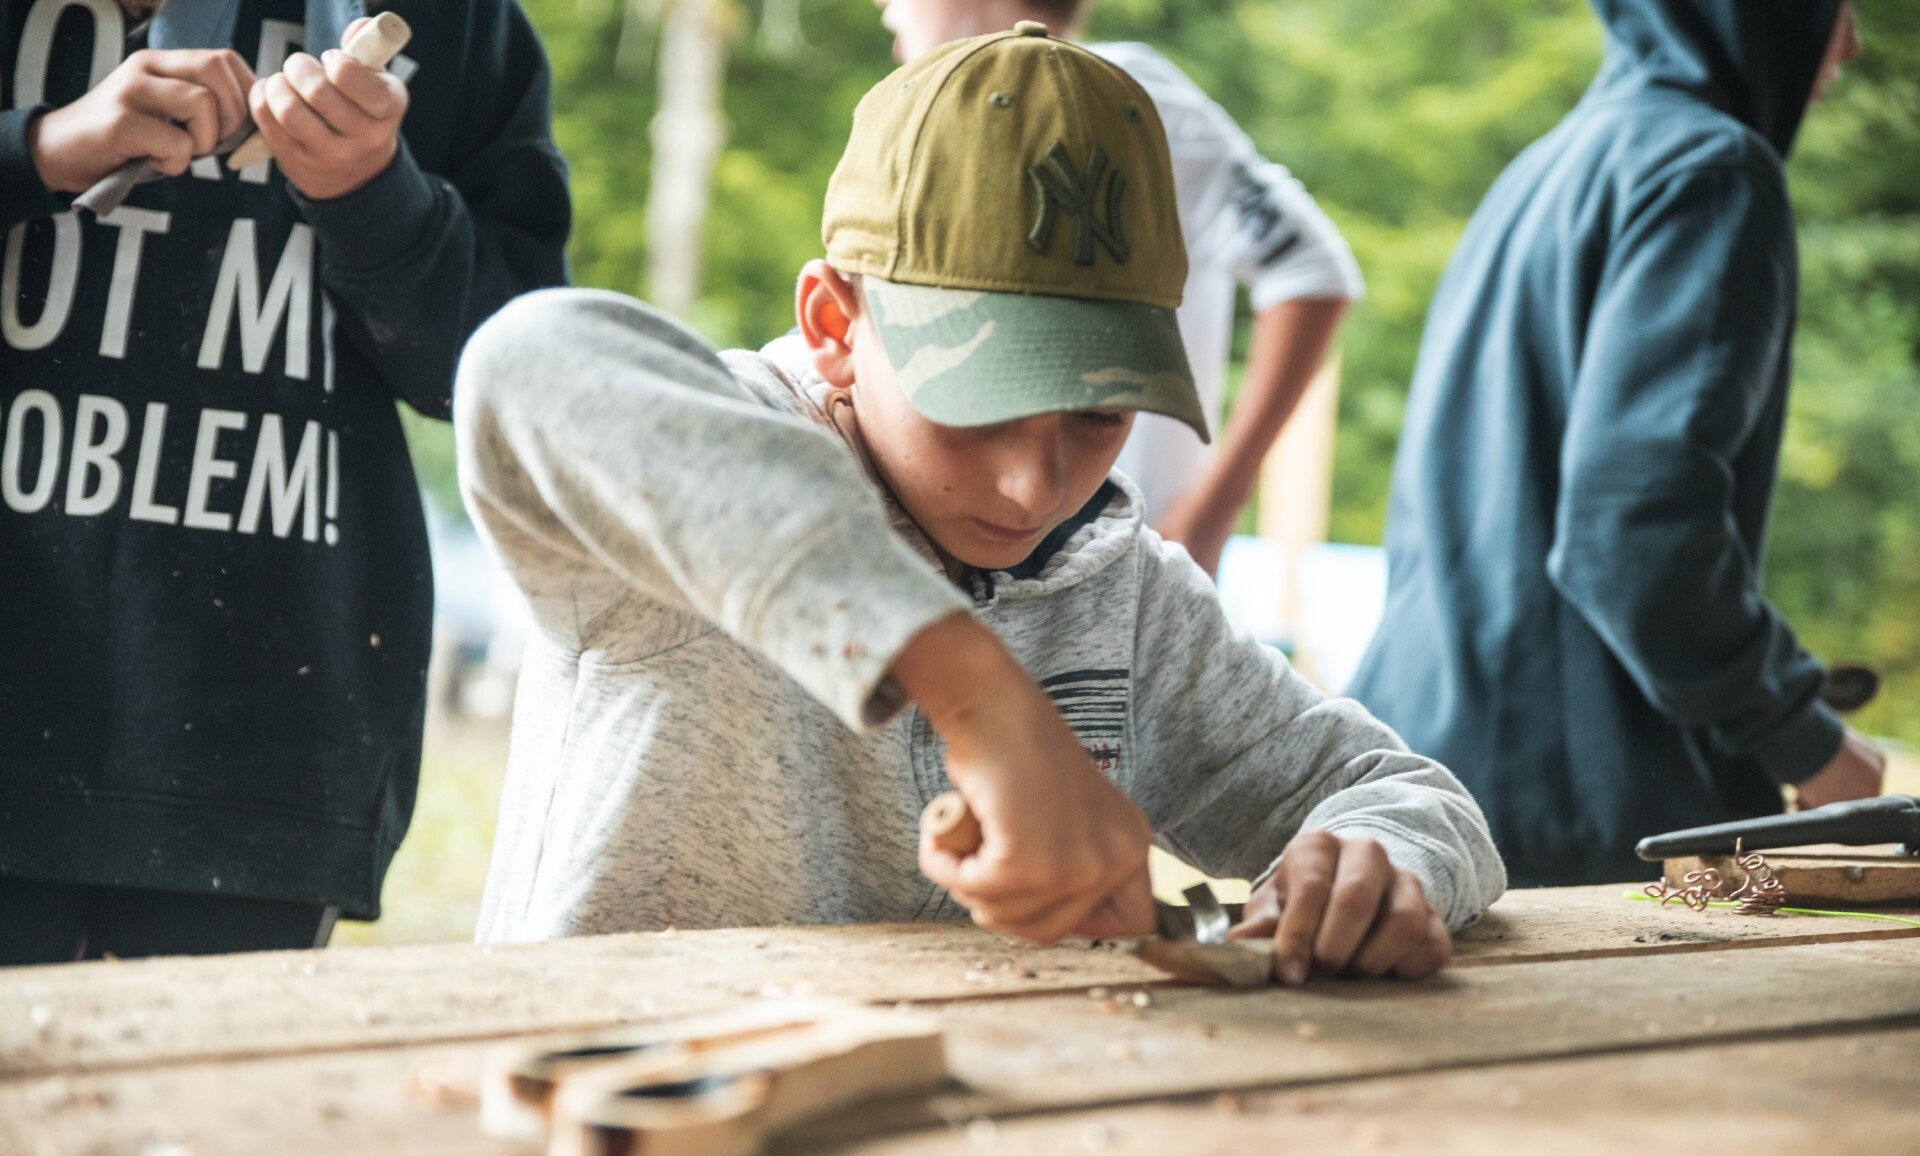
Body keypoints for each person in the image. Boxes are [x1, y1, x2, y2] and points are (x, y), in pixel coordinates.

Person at [456, 27, 1502, 985]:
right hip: (600, 1094)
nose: (1035, 486)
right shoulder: (686, 497)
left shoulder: (1128, 595)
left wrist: (1370, 865)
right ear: (833, 322)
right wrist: (980, 695)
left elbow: (1411, 794)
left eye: (1098, 416)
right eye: (979, 403)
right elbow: (529, 356)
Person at [0, 0, 571, 962]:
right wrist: (38, 152)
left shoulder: (455, 22)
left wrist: (374, 196)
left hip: (259, 761)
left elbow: (515, 370)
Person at [1347, 0, 1880, 888]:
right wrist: (1804, 737)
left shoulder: (1546, 167)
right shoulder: (1712, 171)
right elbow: (1634, 533)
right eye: (1841, 6)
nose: (1852, 42)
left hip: (1417, 761)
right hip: (1581, 807)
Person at [876, 0, 1362, 575]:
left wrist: (1215, 506)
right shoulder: (943, 122)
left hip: (1119, 555)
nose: (886, 10)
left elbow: (1312, 272)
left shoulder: (1122, 99)